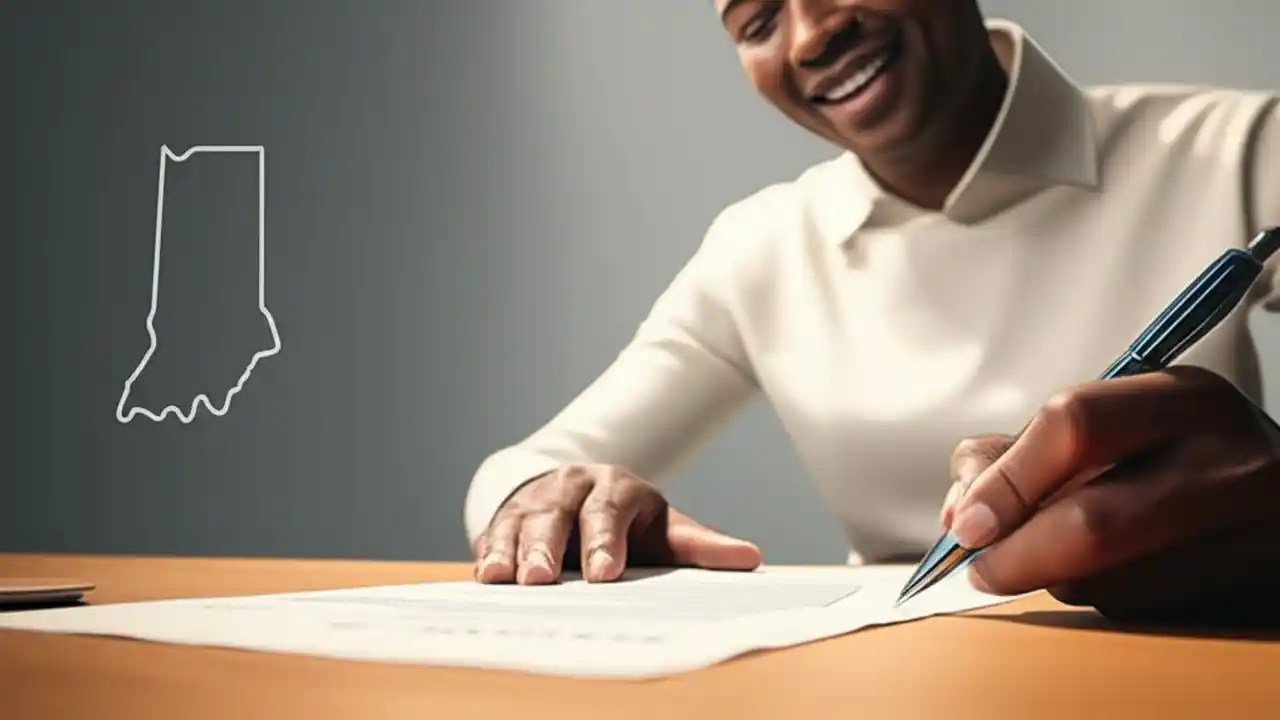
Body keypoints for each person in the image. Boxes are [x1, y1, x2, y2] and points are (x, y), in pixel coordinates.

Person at [465, 1, 1280, 622]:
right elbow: (522, 467)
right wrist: (545, 497)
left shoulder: (1244, 149)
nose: (809, 35)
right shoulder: (762, 246)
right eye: (756, 20)